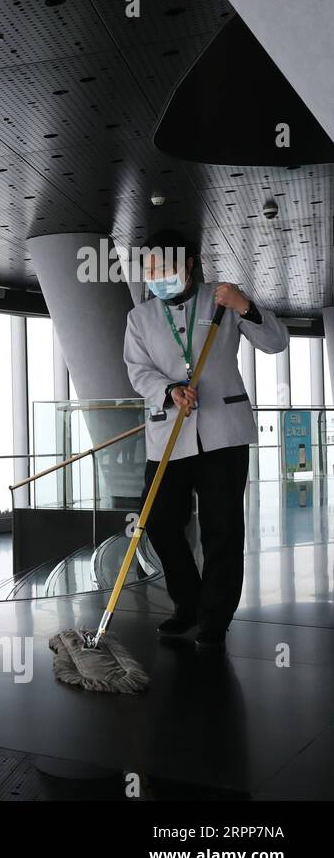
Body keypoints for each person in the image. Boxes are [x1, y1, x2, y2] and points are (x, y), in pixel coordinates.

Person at [123, 229, 288, 651]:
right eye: (152, 269)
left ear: (191, 264)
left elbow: (275, 343)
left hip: (223, 435)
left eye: (167, 267)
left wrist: (246, 307)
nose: (158, 276)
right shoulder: (140, 317)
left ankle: (214, 619)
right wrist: (169, 390)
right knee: (157, 520)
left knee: (222, 530)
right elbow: (137, 370)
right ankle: (190, 602)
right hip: (169, 435)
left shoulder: (223, 298)